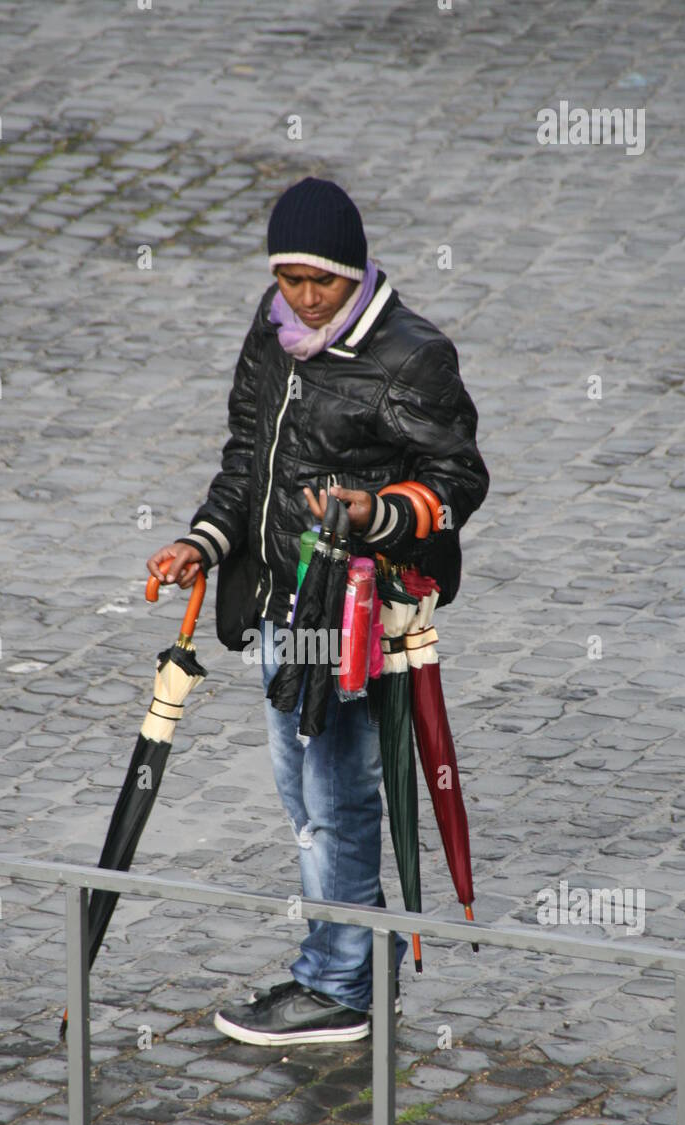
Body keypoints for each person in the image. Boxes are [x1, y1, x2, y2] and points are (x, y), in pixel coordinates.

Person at [147, 176, 488, 1046]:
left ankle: (336, 987)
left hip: (352, 611)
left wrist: (380, 511)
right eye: (290, 278)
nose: (304, 297)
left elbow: (460, 482)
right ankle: (353, 958)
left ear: (356, 270)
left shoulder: (412, 356)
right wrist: (204, 543)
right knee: (304, 792)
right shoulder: (273, 331)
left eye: (321, 282)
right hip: (276, 602)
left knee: (337, 793)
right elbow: (246, 460)